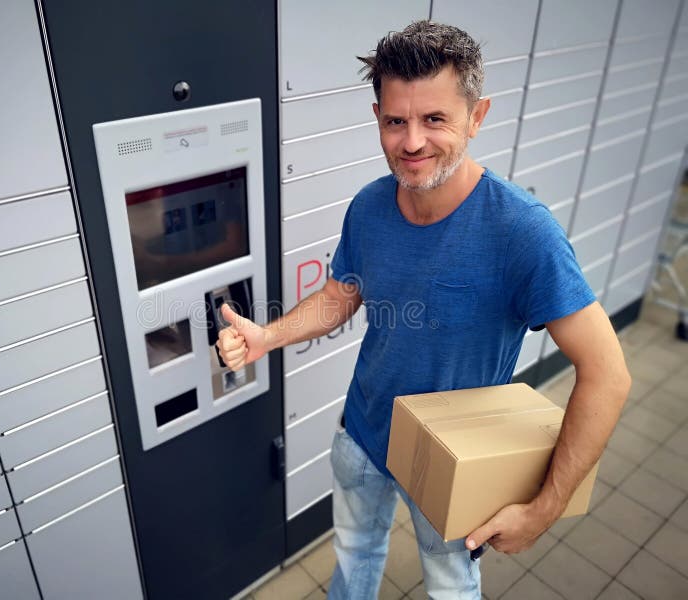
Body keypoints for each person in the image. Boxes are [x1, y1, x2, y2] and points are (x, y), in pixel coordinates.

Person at [216, 20, 630, 599]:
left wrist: (544, 508)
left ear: (476, 116)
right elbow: (340, 296)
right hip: (364, 434)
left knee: (450, 589)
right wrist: (267, 337)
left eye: (435, 118)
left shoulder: (523, 232)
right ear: (377, 118)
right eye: (395, 121)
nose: (411, 142)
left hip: (452, 460)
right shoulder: (369, 206)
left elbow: (608, 374)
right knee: (355, 556)